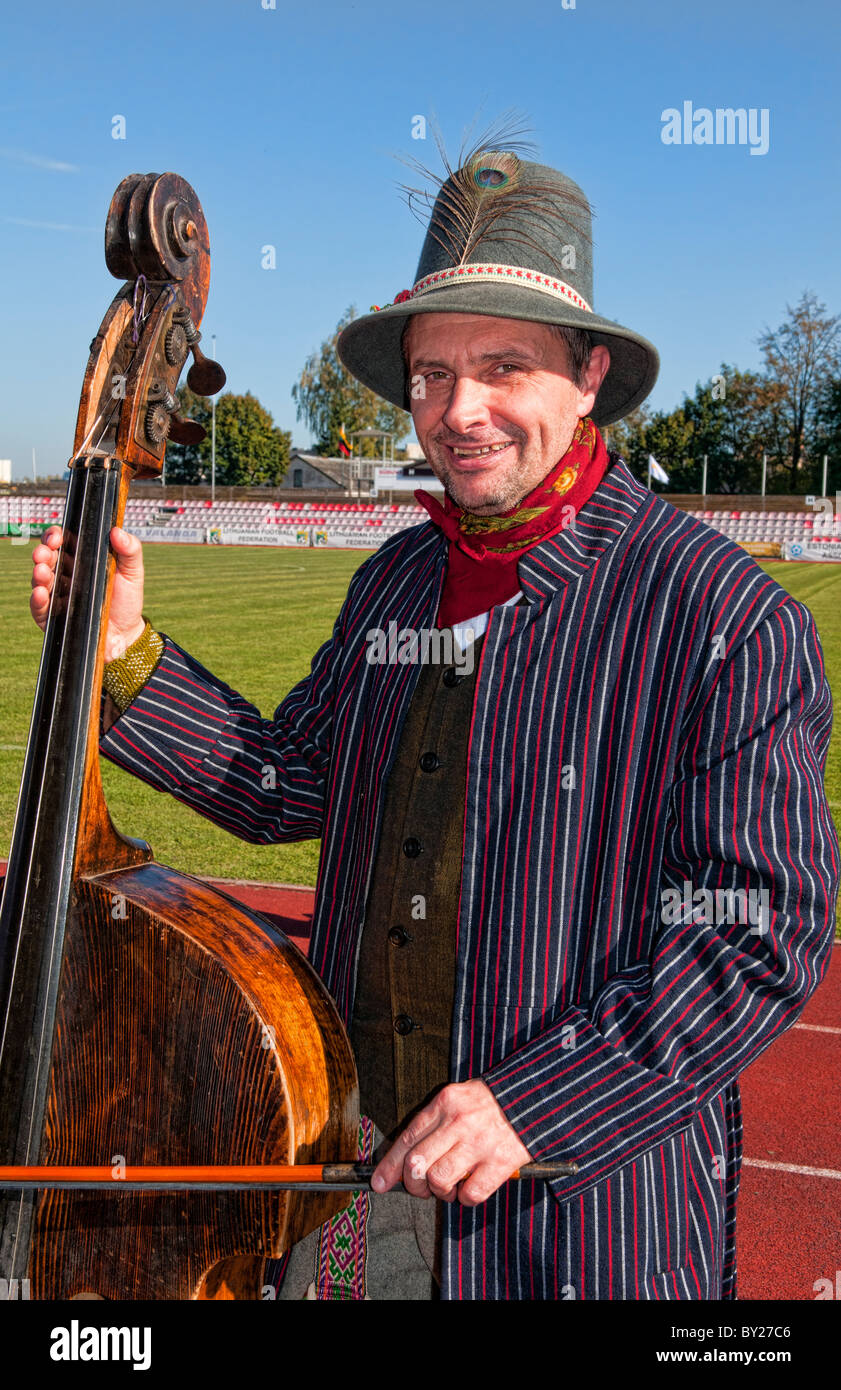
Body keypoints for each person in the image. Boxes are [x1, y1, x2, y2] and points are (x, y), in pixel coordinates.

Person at [30, 152, 839, 1301]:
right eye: (429, 375)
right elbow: (287, 782)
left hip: (577, 1213)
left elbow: (760, 929)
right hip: (361, 1191)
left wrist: (536, 1102)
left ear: (589, 376)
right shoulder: (398, 582)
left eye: (503, 367)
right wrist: (124, 652)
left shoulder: (717, 613)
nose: (458, 414)